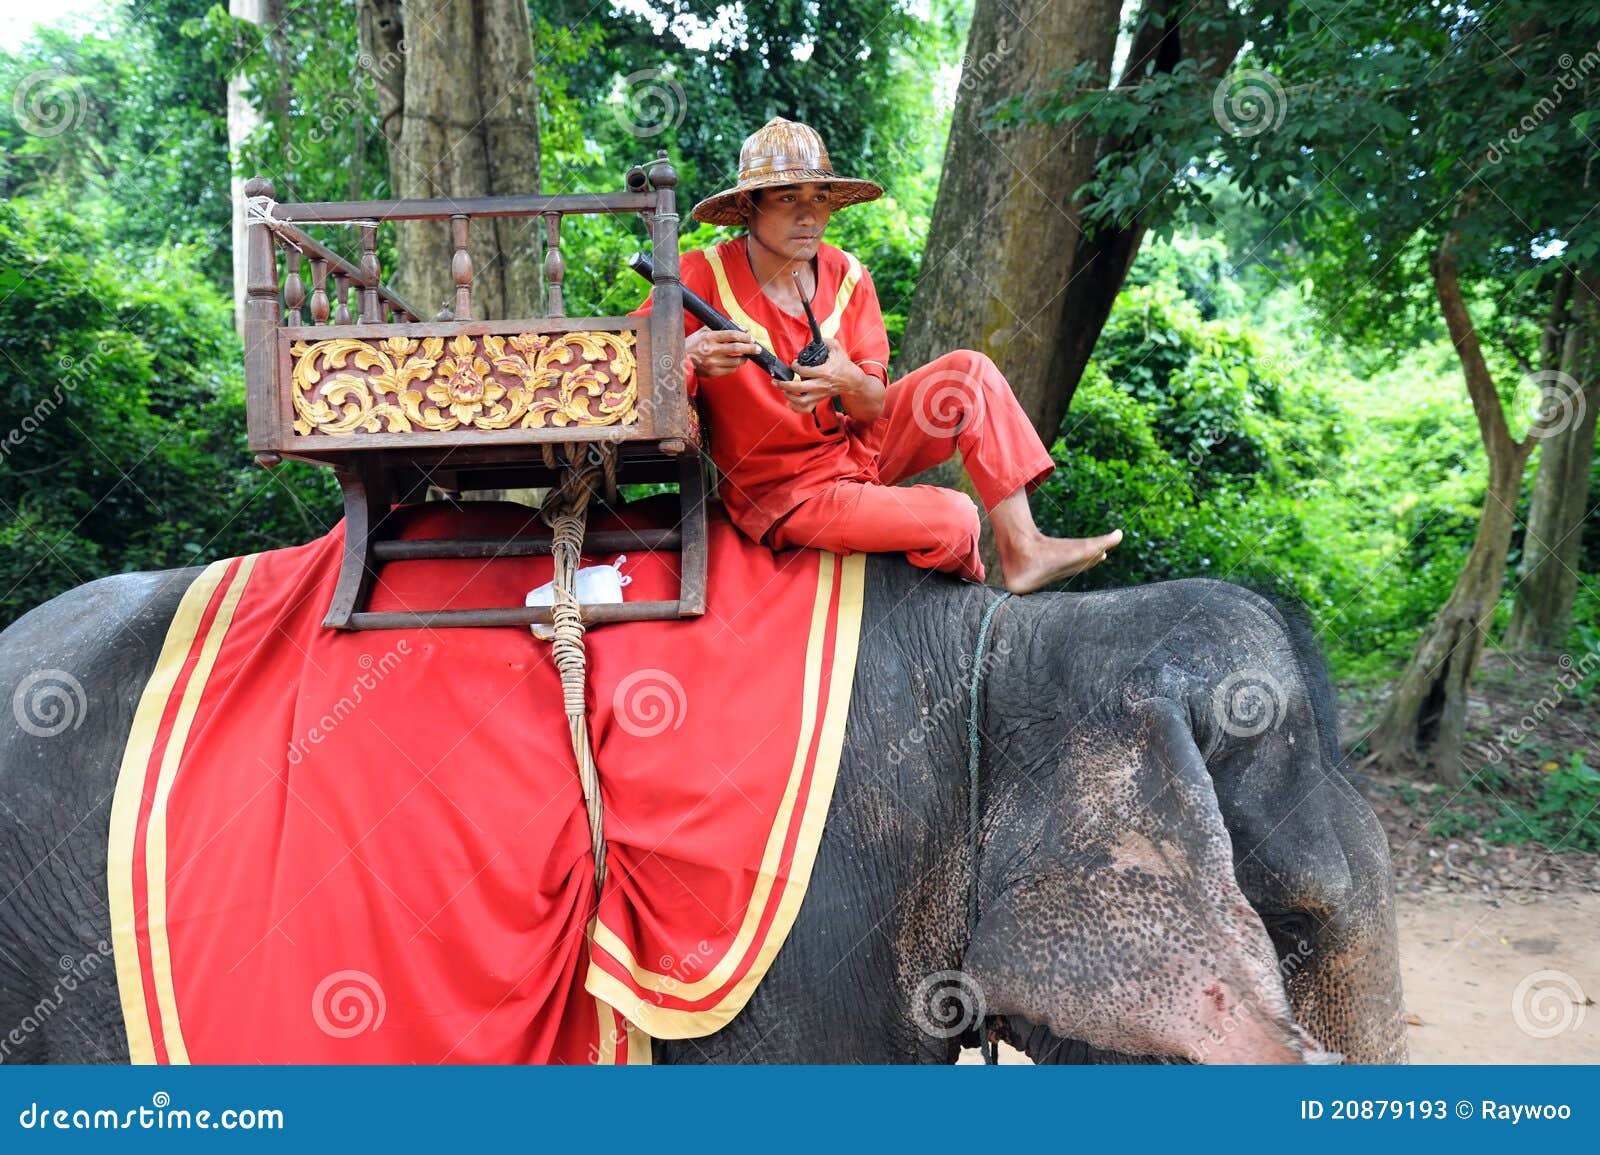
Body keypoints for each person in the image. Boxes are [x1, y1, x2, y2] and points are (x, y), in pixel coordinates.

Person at [628, 116, 1122, 592]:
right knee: (954, 518)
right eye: (787, 198)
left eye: (820, 197)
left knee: (969, 373)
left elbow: (873, 406)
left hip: (856, 449)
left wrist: (846, 379)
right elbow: (620, 368)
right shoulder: (696, 275)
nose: (809, 214)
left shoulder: (847, 274)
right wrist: (687, 356)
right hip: (788, 491)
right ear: (749, 207)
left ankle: (1024, 547)